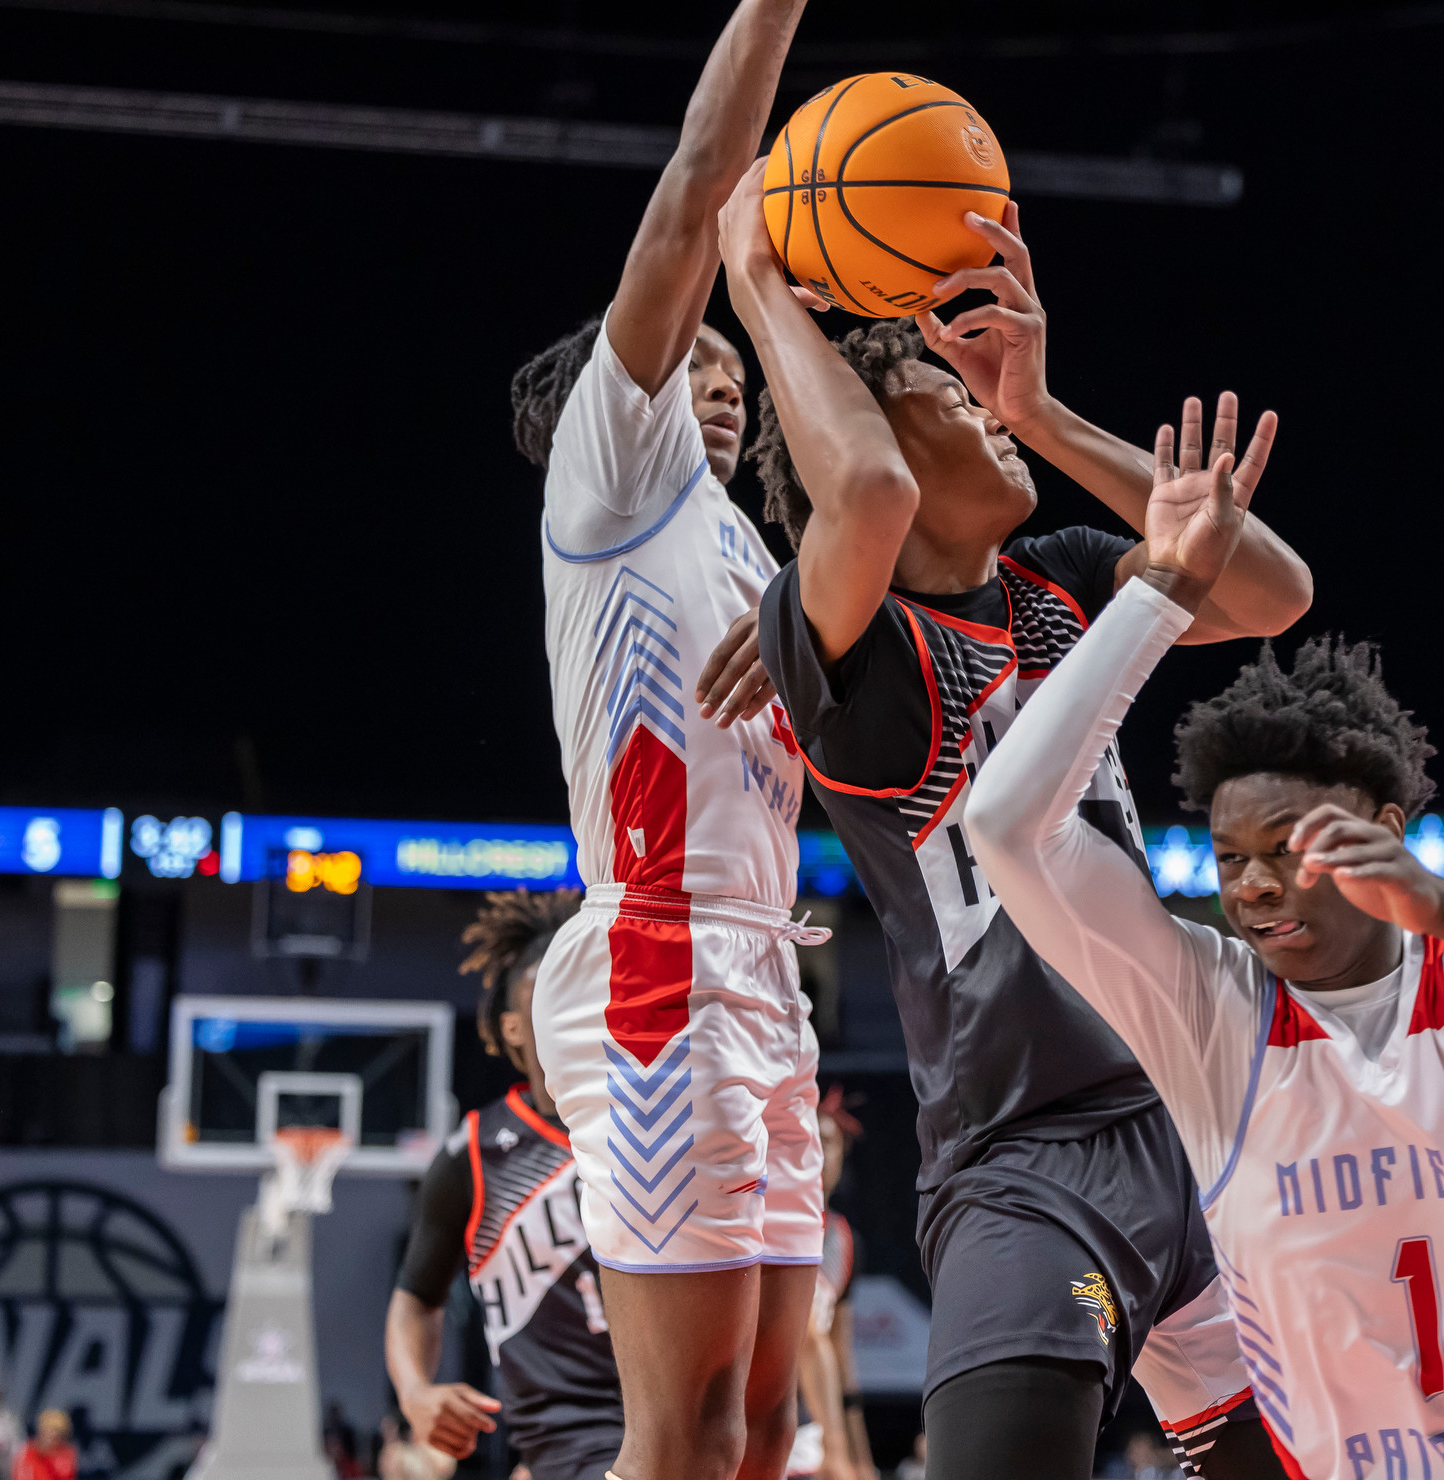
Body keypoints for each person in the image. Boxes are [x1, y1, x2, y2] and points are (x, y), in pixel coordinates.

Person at [958, 438, 1444, 1480]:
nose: (1252, 887)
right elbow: (1006, 823)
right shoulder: (1209, 1008)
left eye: (1285, 850)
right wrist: (1156, 590)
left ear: (1380, 827)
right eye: (1230, 860)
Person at [725, 149, 1312, 1478]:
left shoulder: (1051, 578)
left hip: (1188, 1120)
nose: (983, 407)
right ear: (873, 435)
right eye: (952, 389)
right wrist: (760, 288)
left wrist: (1040, 413)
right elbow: (862, 495)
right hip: (1027, 1156)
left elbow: (1271, 595)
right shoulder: (852, 647)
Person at [506, 4, 828, 1480]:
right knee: (682, 1435)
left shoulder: (750, 552)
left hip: (764, 963)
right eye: (690, 350)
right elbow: (695, 190)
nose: (719, 370)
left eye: (731, 364)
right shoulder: (615, 481)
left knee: (767, 1428)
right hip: (658, 959)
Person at [387, 889, 625, 1480]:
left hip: (674, 1420)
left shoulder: (654, 1122)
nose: (569, 1005)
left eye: (583, 989)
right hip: (566, 1439)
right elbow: (416, 1300)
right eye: (548, 993)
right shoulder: (473, 1150)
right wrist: (416, 1393)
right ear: (513, 1026)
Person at [790, 1088, 876, 1480]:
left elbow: (839, 1359)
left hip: (810, 1424)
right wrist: (838, 1452)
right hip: (765, 1413)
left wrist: (860, 1461)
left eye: (829, 1142)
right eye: (810, 1140)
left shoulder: (844, 1238)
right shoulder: (772, 1225)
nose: (820, 1154)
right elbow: (808, 1339)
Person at [9, 1413, 75, 1480]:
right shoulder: (26, 1451)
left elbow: (65, 1475)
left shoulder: (66, 1454)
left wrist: (46, 1456)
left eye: (58, 1432)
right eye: (49, 1430)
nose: (53, 1435)